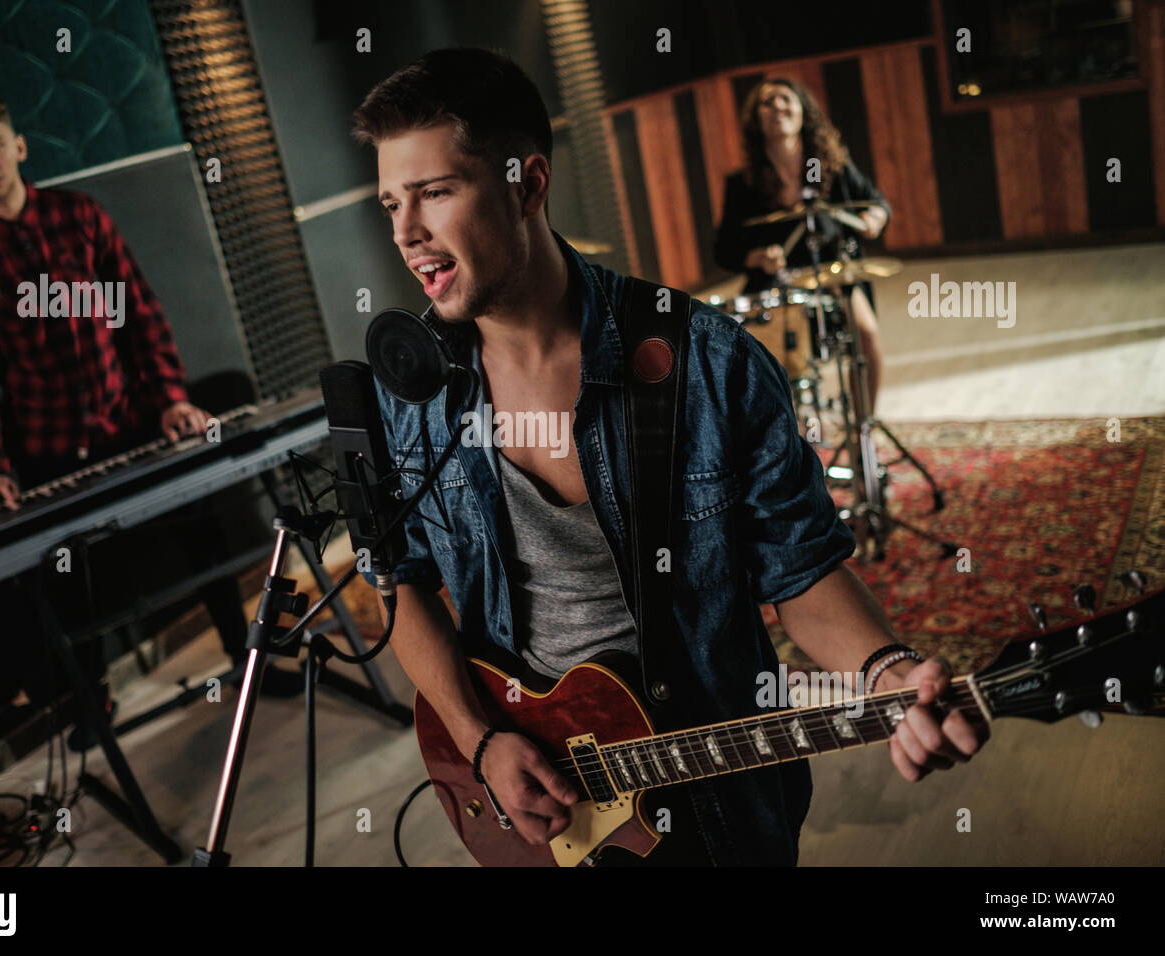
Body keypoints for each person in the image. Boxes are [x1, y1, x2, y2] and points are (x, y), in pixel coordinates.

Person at [352, 49, 987, 865]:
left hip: (715, 791)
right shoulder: (414, 395)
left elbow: (801, 570)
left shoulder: (706, 365)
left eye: (436, 193)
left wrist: (887, 672)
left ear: (527, 184)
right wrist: (479, 744)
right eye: (391, 204)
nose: (408, 235)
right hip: (532, 790)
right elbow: (397, 580)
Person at [0, 94, 302, 741]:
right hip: (48, 447)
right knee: (68, 580)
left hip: (130, 422)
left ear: (19, 146)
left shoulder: (81, 216)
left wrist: (171, 399)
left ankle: (246, 664)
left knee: (203, 533)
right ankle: (93, 700)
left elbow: (142, 314)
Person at [714, 77, 889, 410]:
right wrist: (757, 257)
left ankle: (864, 428)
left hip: (831, 270)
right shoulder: (742, 182)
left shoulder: (830, 164)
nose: (777, 107)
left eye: (785, 99)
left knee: (866, 337)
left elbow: (877, 203)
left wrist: (873, 220)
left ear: (802, 111)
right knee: (754, 352)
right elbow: (723, 249)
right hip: (774, 280)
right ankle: (781, 434)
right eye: (767, 102)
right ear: (756, 120)